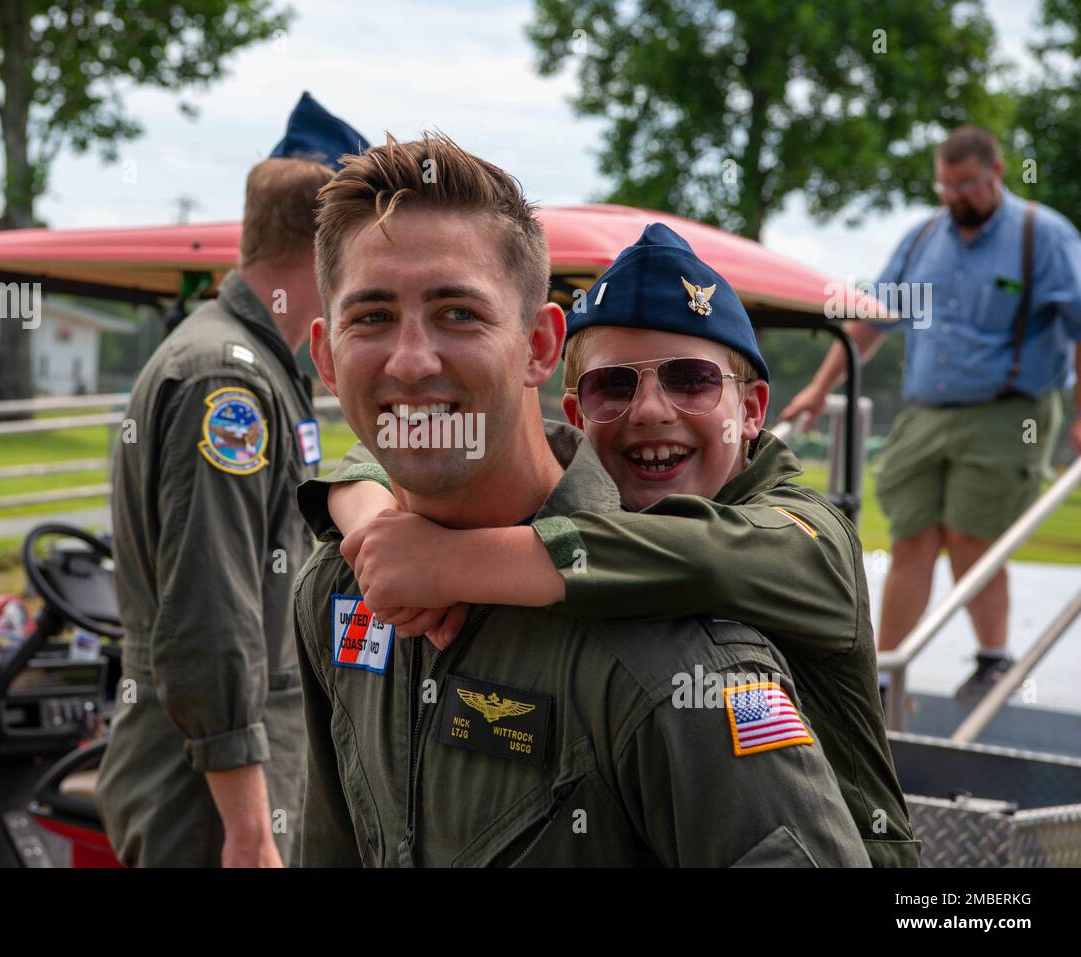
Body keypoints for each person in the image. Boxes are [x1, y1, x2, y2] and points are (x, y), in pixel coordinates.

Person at [294, 132, 870, 867]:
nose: (411, 360)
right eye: (370, 316)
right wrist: (364, 511)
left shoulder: (679, 660)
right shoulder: (338, 586)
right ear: (325, 357)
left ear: (538, 345)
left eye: (458, 313)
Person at [94, 92, 368, 867]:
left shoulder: (246, 363)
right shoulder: (229, 380)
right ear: (327, 247)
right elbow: (210, 612)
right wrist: (249, 828)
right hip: (213, 793)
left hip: (216, 767)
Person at [779, 125, 1081, 703]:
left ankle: (993, 659)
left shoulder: (1042, 236)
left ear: (996, 173)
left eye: (966, 184)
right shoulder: (923, 239)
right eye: (945, 186)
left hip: (1007, 410)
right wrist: (819, 389)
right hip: (927, 410)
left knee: (971, 535)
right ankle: (884, 678)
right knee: (910, 536)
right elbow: (870, 320)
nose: (954, 197)